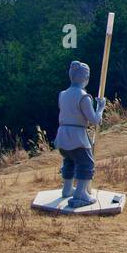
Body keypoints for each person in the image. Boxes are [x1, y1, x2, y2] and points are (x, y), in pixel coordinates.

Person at [55, 60, 105, 206]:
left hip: (62, 135)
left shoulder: (62, 94)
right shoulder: (83, 96)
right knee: (86, 164)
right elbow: (95, 120)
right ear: (86, 79)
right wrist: (101, 107)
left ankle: (67, 189)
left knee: (69, 160)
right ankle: (80, 194)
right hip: (76, 136)